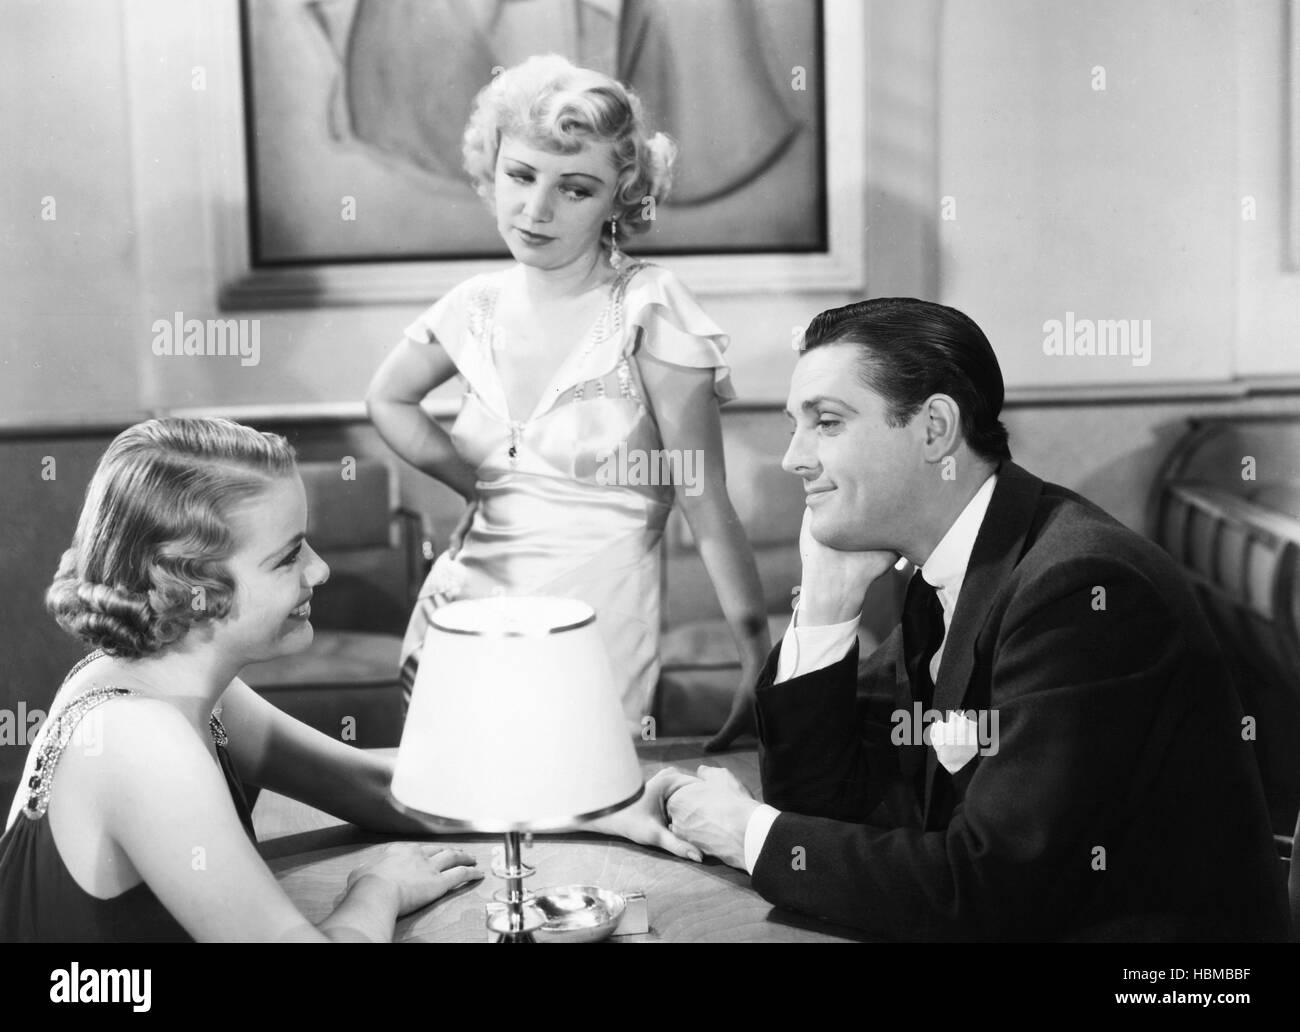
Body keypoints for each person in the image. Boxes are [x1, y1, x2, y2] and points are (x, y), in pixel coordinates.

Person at [663, 298, 1289, 941]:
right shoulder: (949, 564)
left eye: (825, 422)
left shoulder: (1083, 590)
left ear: (935, 428)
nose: (794, 457)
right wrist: (827, 602)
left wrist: (747, 835)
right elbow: (826, 803)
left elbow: (989, 891)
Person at [0, 417, 697, 942]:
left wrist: (593, 808)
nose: (320, 572)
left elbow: (372, 785)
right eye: (287, 557)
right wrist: (376, 892)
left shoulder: (166, 685)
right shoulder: (140, 742)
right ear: (195, 592)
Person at [367, 55, 769, 747]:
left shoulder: (650, 307)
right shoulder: (474, 306)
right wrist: (481, 487)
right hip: (462, 612)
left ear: (622, 196)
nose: (536, 208)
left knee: (584, 824)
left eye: (575, 189)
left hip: (599, 622)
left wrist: (757, 652)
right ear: (492, 169)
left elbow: (704, 498)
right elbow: (387, 399)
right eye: (520, 175)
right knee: (458, 820)